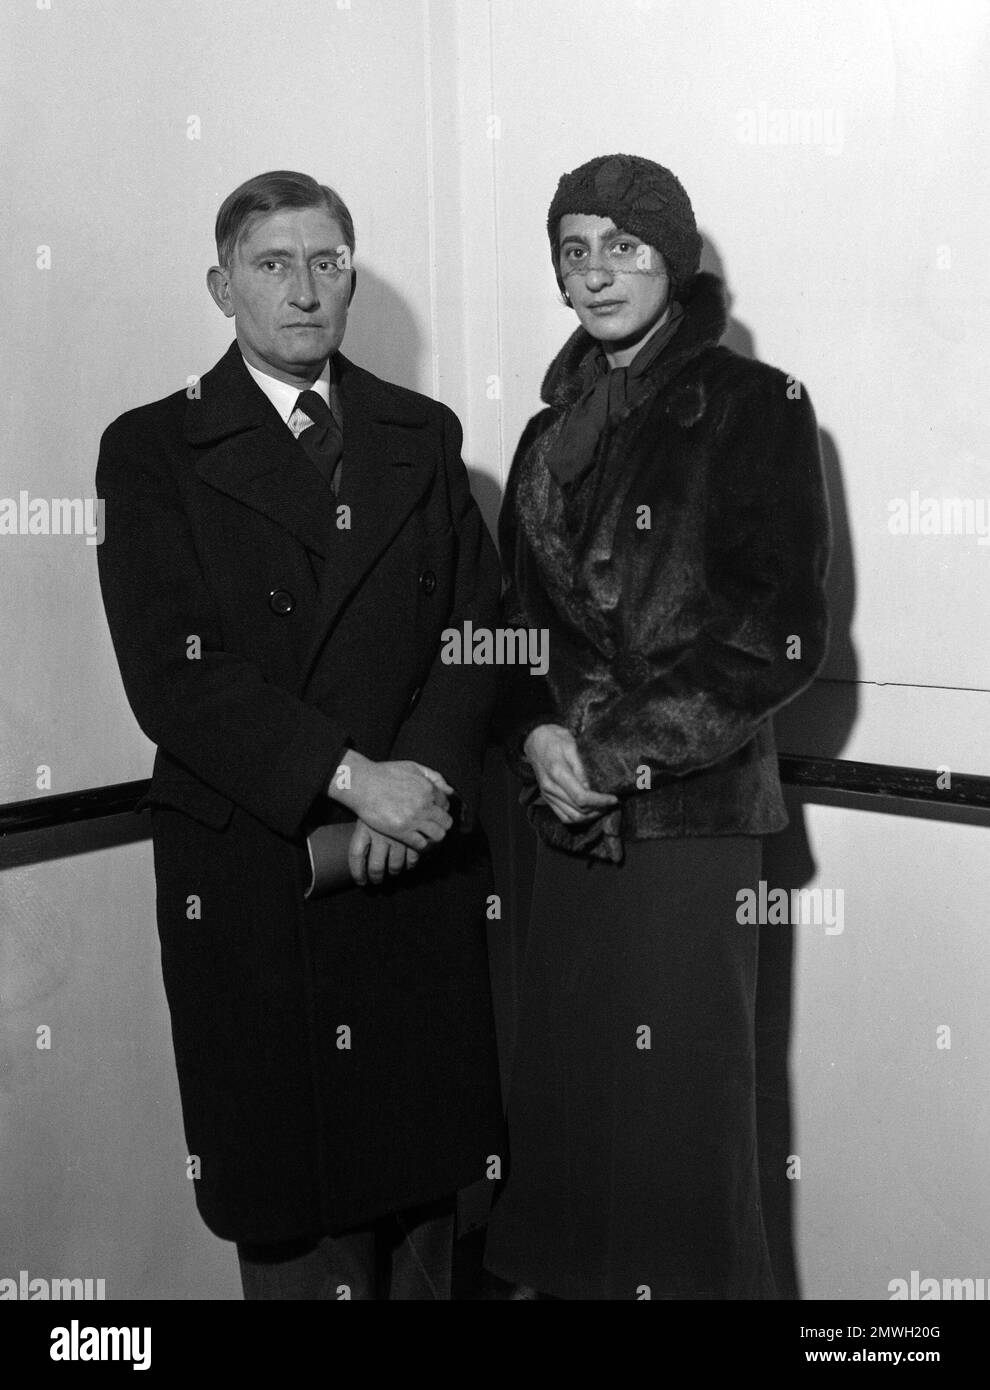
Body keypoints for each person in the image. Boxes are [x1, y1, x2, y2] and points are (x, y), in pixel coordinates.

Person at [96, 170, 503, 1300]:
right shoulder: (151, 450)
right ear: (222, 287)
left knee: (426, 1217)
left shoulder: (420, 435)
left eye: (328, 262)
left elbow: (483, 630)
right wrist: (349, 777)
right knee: (296, 1218)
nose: (305, 289)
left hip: (413, 865)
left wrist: (416, 779)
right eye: (274, 264)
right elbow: (175, 677)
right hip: (259, 883)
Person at [484, 153, 831, 1300]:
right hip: (562, 824)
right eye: (574, 250)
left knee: (681, 1134)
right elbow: (509, 628)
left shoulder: (753, 403)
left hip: (687, 824)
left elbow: (778, 633)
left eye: (623, 247)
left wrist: (608, 750)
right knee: (575, 1123)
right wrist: (539, 734)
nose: (597, 273)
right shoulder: (548, 437)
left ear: (671, 261)